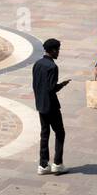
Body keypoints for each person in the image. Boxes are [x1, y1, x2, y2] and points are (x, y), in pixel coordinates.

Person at [32, 38, 68, 174]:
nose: (58, 52)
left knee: (45, 133)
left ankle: (43, 165)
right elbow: (51, 88)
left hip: (40, 105)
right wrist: (62, 85)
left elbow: (36, 85)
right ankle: (57, 163)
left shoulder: (37, 64)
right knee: (60, 132)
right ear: (52, 50)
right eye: (57, 50)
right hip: (51, 106)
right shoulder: (52, 67)